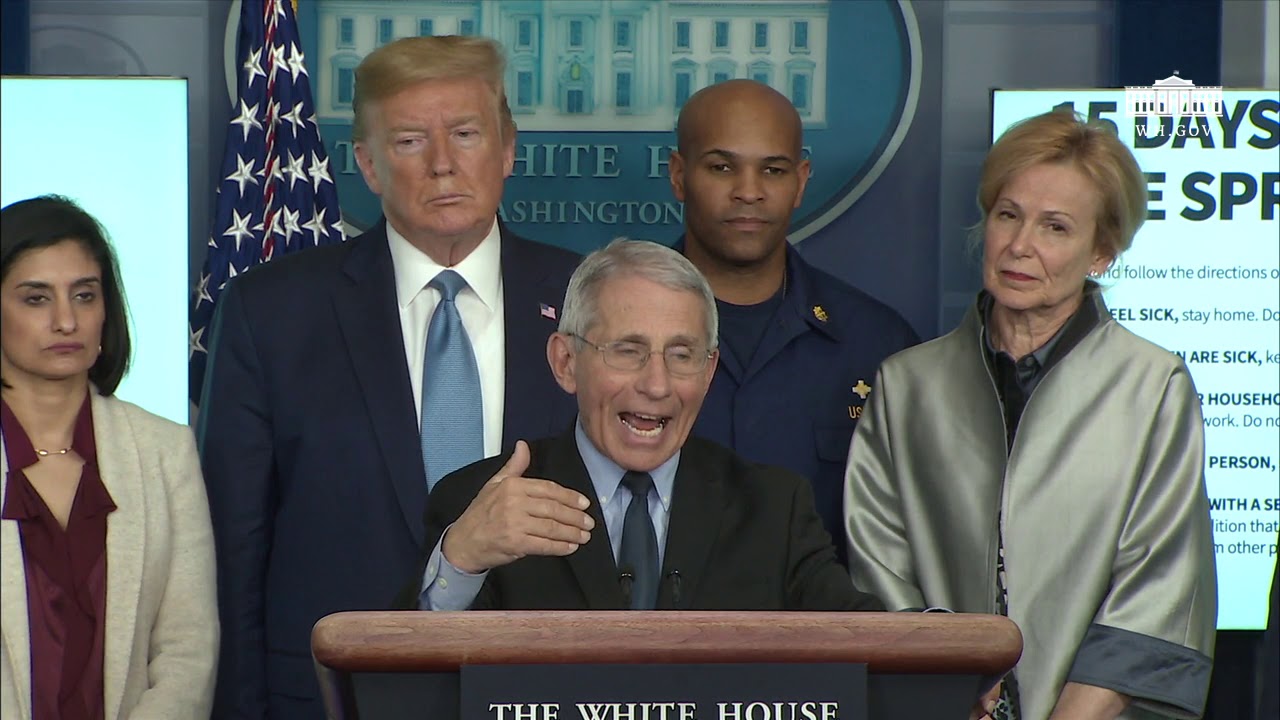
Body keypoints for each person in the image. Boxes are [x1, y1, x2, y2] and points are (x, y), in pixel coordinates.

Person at [197, 36, 579, 718]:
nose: (442, 165)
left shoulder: (589, 299)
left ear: (508, 149)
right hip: (333, 697)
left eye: (465, 134)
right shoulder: (272, 312)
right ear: (369, 165)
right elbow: (233, 551)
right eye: (409, 141)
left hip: (544, 692)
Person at [844, 109, 1216, 720]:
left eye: (1056, 227)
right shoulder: (906, 385)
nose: (1021, 246)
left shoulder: (1152, 386)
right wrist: (942, 680)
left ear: (1102, 250)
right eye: (1008, 215)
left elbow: (1161, 590)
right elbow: (878, 567)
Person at [411, 239, 883, 612]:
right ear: (566, 362)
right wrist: (462, 561)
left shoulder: (774, 512)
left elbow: (871, 648)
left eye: (682, 355)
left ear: (708, 370)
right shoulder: (479, 504)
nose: (657, 385)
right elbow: (412, 684)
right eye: (627, 350)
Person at [668, 80, 918, 566]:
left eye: (773, 170)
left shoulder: (878, 345)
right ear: (678, 175)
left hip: (829, 638)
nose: (748, 192)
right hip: (651, 638)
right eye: (722, 167)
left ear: (801, 181)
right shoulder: (612, 336)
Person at [0, 195, 217, 719]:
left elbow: (188, 648)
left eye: (84, 295)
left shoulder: (166, 450)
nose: (66, 321)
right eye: (36, 299)